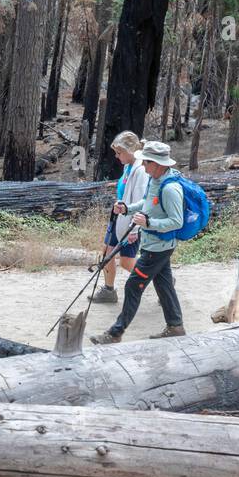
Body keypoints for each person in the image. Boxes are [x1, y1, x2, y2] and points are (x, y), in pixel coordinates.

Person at [91, 140, 186, 343]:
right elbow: (146, 203)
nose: (143, 166)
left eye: (146, 162)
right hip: (154, 244)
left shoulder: (171, 189)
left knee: (133, 286)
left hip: (158, 248)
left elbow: (177, 222)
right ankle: (176, 326)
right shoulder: (155, 180)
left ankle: (115, 333)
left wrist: (148, 222)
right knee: (164, 285)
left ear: (158, 163)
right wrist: (128, 208)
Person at [90, 132, 148, 304]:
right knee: (107, 252)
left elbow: (141, 202)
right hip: (118, 218)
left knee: (126, 262)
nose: (116, 156)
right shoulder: (128, 167)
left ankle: (158, 280)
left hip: (131, 224)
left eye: (119, 152)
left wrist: (135, 229)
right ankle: (108, 290)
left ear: (130, 151)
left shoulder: (141, 170)